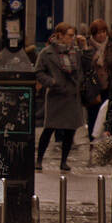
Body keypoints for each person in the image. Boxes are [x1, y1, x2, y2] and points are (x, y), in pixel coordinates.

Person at [34, 23, 84, 172]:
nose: (72, 38)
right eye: (69, 35)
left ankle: (64, 161)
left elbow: (84, 68)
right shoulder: (47, 53)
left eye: (73, 35)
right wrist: (51, 82)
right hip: (56, 94)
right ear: (60, 35)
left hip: (72, 95)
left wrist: (85, 47)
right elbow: (38, 72)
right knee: (49, 128)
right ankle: (39, 159)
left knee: (70, 129)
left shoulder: (75, 52)